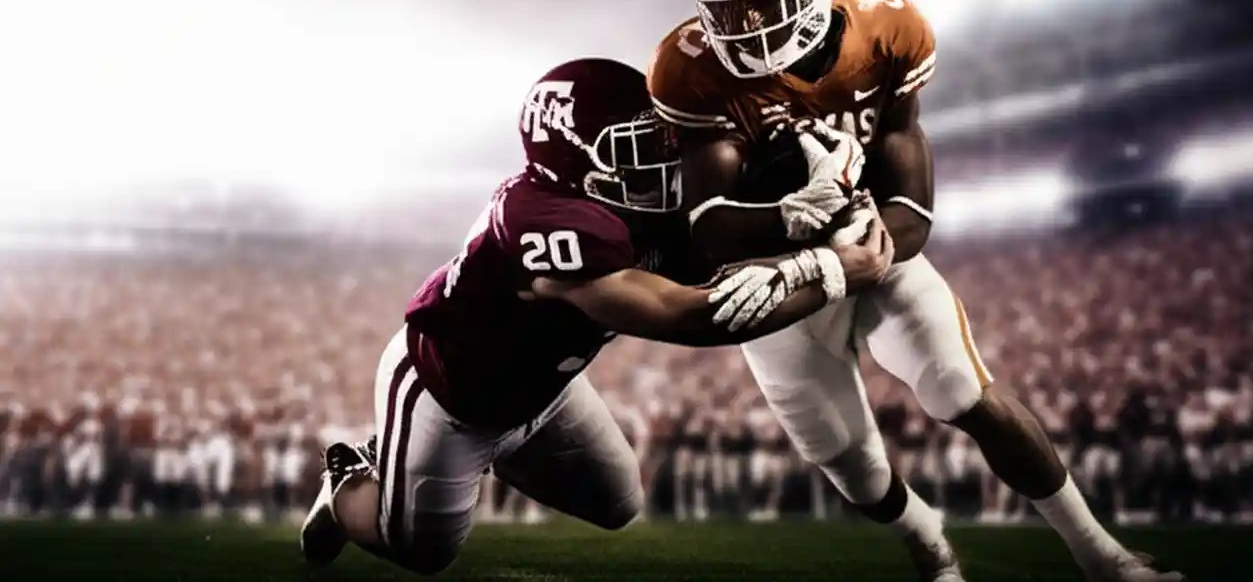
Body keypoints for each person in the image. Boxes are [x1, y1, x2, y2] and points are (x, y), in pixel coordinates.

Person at [647, 0, 1182, 582]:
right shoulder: (690, 67)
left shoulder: (889, 32)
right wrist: (799, 228)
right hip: (771, 279)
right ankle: (926, 537)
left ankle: (1101, 555)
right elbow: (711, 226)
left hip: (870, 249)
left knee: (962, 387)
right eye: (727, 10)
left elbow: (914, 211)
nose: (743, 28)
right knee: (850, 461)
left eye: (763, 3)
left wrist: (845, 254)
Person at [299, 57, 894, 576]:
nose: (661, 159)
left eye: (659, 139)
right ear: (570, 163)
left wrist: (803, 210)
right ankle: (346, 482)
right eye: (633, 149)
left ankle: (492, 461)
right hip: (450, 398)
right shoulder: (544, 220)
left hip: (544, 389)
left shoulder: (626, 204)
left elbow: (719, 246)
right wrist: (832, 273)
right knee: (421, 553)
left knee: (619, 503)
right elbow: (684, 314)